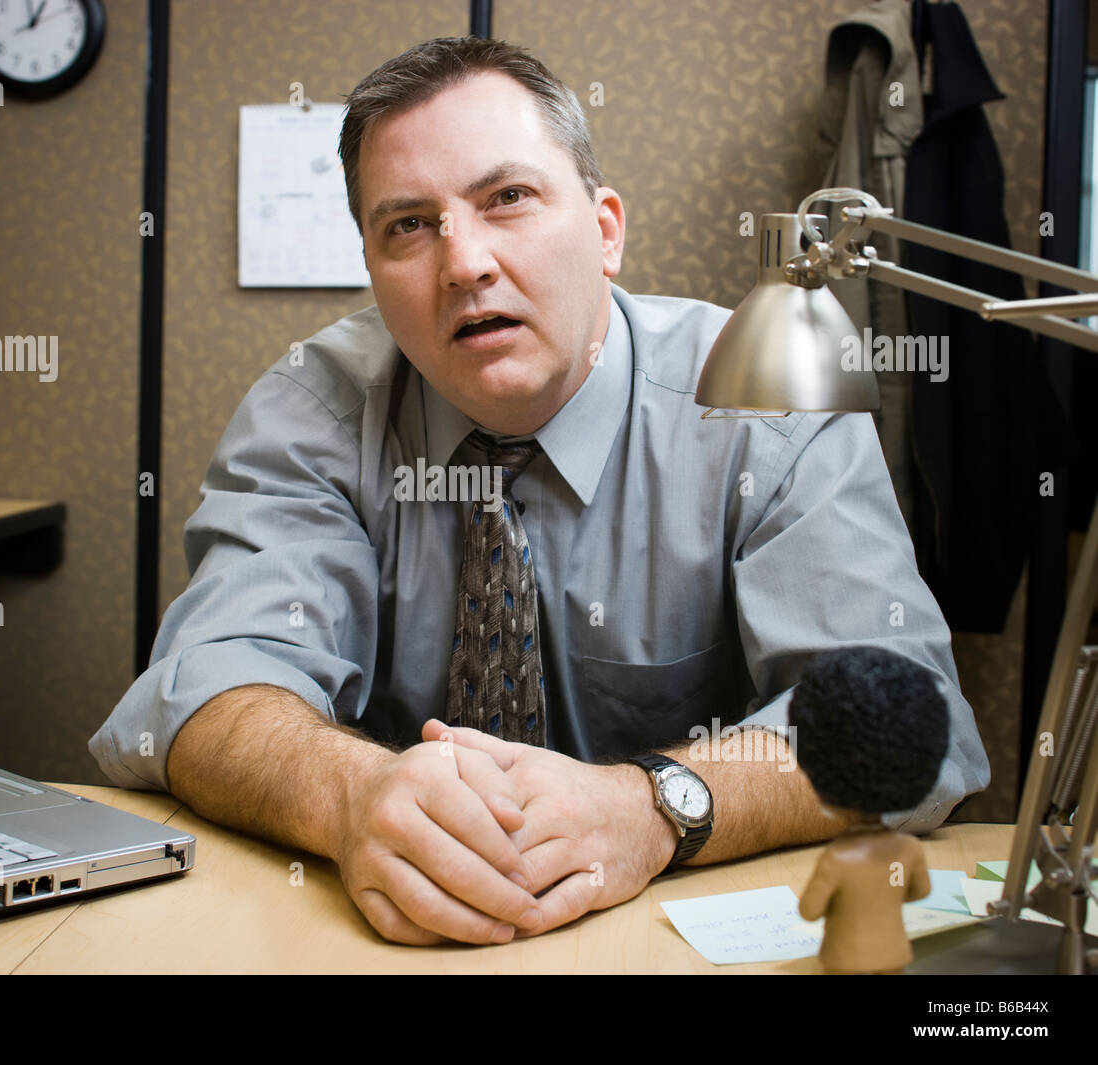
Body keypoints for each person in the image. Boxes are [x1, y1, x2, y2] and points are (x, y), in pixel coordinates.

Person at [89, 36, 990, 947]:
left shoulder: (767, 400)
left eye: (506, 199)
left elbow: (912, 718)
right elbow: (211, 684)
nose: (463, 263)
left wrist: (657, 804)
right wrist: (350, 792)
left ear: (605, 231)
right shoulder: (312, 411)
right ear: (371, 267)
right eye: (407, 224)